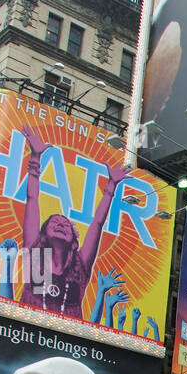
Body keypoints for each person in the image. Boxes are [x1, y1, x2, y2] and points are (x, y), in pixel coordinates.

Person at [20, 124, 128, 319]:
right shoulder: (35, 253)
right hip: (25, 329)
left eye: (65, 225)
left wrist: (111, 185)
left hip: (69, 336)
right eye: (54, 222)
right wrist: (35, 158)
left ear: (73, 239)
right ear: (43, 233)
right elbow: (32, 199)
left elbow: (97, 224)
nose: (60, 225)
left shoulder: (80, 264)